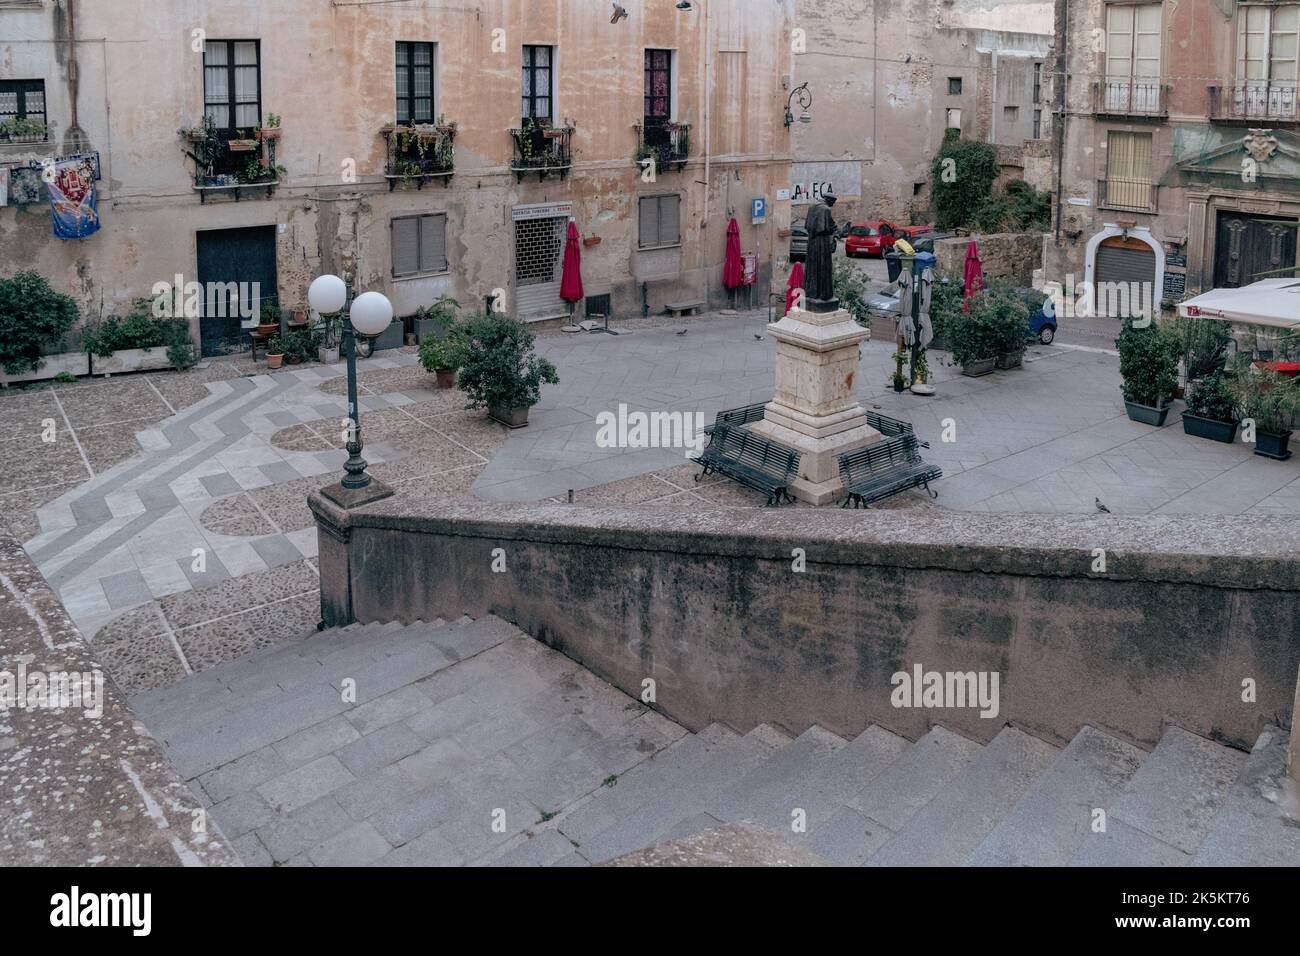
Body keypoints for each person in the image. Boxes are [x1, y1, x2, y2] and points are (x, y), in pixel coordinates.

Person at [803, 190, 839, 308]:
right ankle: (823, 295)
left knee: (812, 267)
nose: (833, 205)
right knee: (823, 267)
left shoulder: (812, 207)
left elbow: (807, 226)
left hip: (811, 243)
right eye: (833, 202)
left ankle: (811, 293)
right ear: (829, 200)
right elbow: (829, 227)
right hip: (822, 243)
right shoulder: (826, 209)